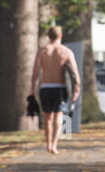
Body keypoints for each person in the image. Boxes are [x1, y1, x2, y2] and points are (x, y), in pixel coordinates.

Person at [28, 26, 81, 155]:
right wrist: (76, 90)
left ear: (48, 36)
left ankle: (48, 143)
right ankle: (55, 145)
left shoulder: (42, 52)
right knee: (58, 116)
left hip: (45, 88)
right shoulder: (66, 52)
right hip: (59, 88)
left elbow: (35, 73)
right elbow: (75, 73)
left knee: (47, 117)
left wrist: (32, 90)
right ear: (60, 36)